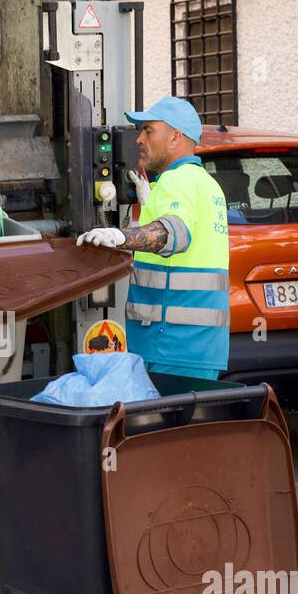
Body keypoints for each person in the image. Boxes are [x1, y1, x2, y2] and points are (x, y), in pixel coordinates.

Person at [76, 96, 229, 381]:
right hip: (199, 345)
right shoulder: (207, 184)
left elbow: (173, 235)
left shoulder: (177, 181)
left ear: (174, 138)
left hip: (170, 342)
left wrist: (118, 236)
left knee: (159, 426)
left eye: (148, 130)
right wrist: (150, 205)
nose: (138, 139)